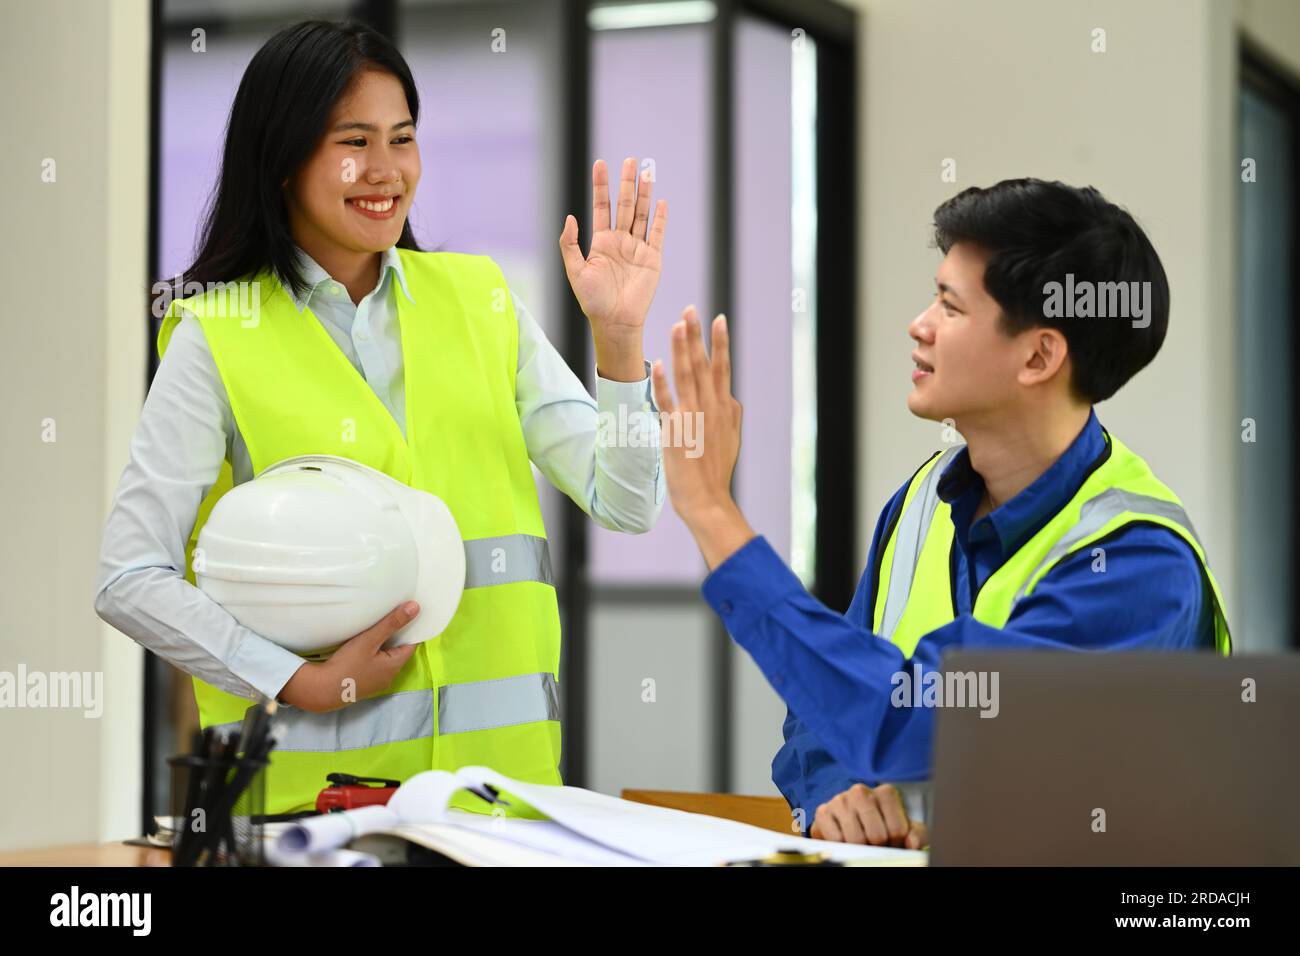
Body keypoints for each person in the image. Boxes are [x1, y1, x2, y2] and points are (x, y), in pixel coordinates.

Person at [95, 19, 667, 815]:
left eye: (403, 138)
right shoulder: (216, 335)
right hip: (315, 824)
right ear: (284, 157)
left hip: (504, 814)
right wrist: (296, 679)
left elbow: (628, 500)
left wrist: (619, 342)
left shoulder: (482, 300)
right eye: (352, 141)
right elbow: (129, 576)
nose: (385, 170)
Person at [649, 178, 1232, 847]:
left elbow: (917, 718)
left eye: (950, 307)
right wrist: (835, 793)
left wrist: (713, 512)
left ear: (1039, 356)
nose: (919, 324)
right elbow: (823, 706)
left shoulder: (1136, 564)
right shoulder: (923, 501)